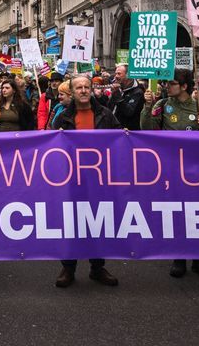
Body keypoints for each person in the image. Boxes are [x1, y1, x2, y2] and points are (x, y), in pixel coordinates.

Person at [141, 69, 199, 280]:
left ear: (184, 86)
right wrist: (147, 107)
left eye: (171, 83)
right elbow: (146, 130)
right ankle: (179, 257)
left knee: (198, 214)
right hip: (171, 169)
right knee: (177, 215)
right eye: (165, 83)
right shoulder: (161, 106)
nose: (166, 86)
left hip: (196, 170)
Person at [53, 75, 121, 289]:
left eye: (86, 87)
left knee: (98, 222)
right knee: (72, 223)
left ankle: (97, 267)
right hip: (72, 179)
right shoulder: (63, 117)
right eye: (79, 87)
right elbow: (53, 147)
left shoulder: (105, 114)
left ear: (91, 89)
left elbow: (118, 139)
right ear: (72, 92)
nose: (83, 90)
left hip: (99, 178)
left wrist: (125, 135)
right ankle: (68, 267)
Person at [107, 64, 144, 130]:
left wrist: (117, 95)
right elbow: (110, 109)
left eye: (119, 74)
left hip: (127, 133)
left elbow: (129, 112)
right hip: (114, 130)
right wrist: (100, 97)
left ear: (128, 75)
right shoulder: (119, 89)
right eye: (116, 74)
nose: (115, 77)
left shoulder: (138, 92)